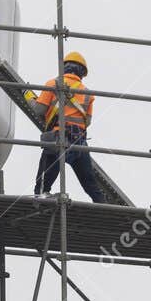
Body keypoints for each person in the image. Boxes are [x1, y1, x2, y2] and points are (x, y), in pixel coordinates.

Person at [27, 51, 107, 201]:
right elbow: (87, 121)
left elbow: (39, 110)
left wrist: (28, 97)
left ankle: (41, 196)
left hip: (59, 138)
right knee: (90, 183)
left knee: (43, 184)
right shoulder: (87, 93)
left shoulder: (53, 84)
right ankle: (105, 207)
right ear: (83, 73)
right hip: (79, 142)